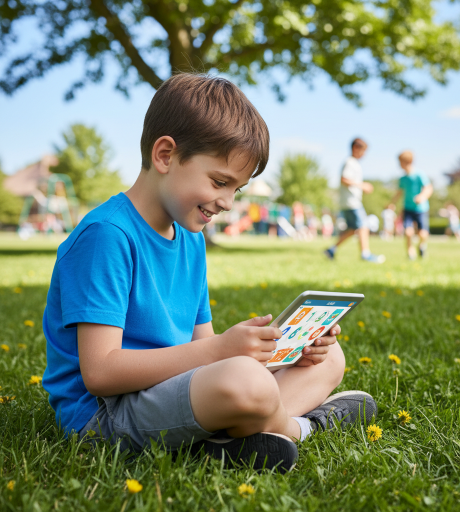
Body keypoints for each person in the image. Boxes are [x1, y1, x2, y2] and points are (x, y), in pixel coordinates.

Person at [41, 74, 377, 473]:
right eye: (220, 182)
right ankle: (300, 426)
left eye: (237, 189)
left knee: (328, 358)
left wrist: (282, 349)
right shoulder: (107, 236)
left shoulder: (190, 239)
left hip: (174, 389)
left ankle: (229, 437)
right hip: (106, 415)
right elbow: (100, 372)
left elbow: (203, 348)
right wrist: (222, 352)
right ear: (165, 155)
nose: (228, 203)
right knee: (244, 382)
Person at [324, 138, 385, 263]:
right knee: (364, 225)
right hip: (351, 202)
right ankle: (365, 254)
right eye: (363, 151)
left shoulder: (353, 163)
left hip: (348, 202)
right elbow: (344, 179)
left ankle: (332, 249)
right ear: (355, 148)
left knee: (352, 229)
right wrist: (362, 185)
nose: (364, 154)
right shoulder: (350, 162)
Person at [390, 151, 433, 259]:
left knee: (422, 234)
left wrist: (422, 196)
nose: (399, 164)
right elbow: (399, 193)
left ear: (408, 161)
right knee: (408, 232)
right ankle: (410, 252)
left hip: (421, 209)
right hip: (407, 208)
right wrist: (391, 203)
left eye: (401, 162)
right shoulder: (403, 179)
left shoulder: (419, 174)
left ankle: (422, 246)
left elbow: (428, 188)